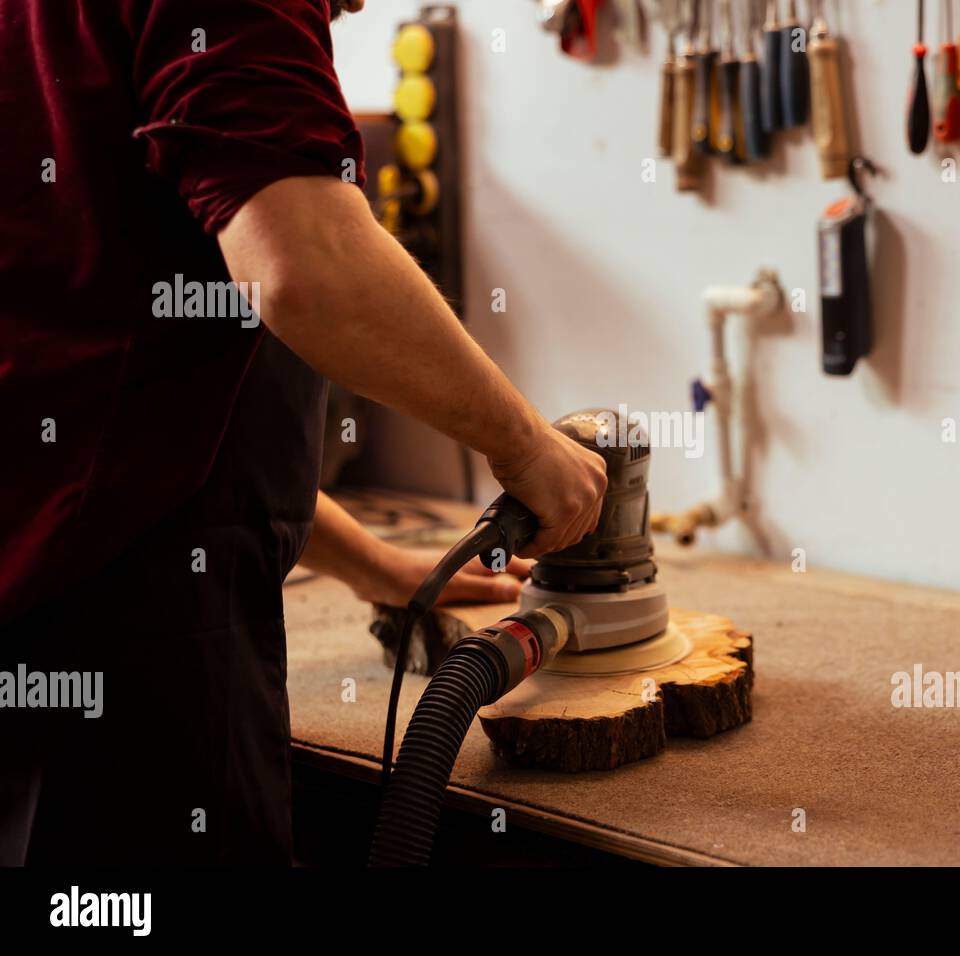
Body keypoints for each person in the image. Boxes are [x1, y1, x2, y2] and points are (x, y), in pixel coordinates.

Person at [0, 0, 606, 864]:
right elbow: (306, 269)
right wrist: (527, 447)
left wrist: (383, 569)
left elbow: (119, 408)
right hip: (130, 663)